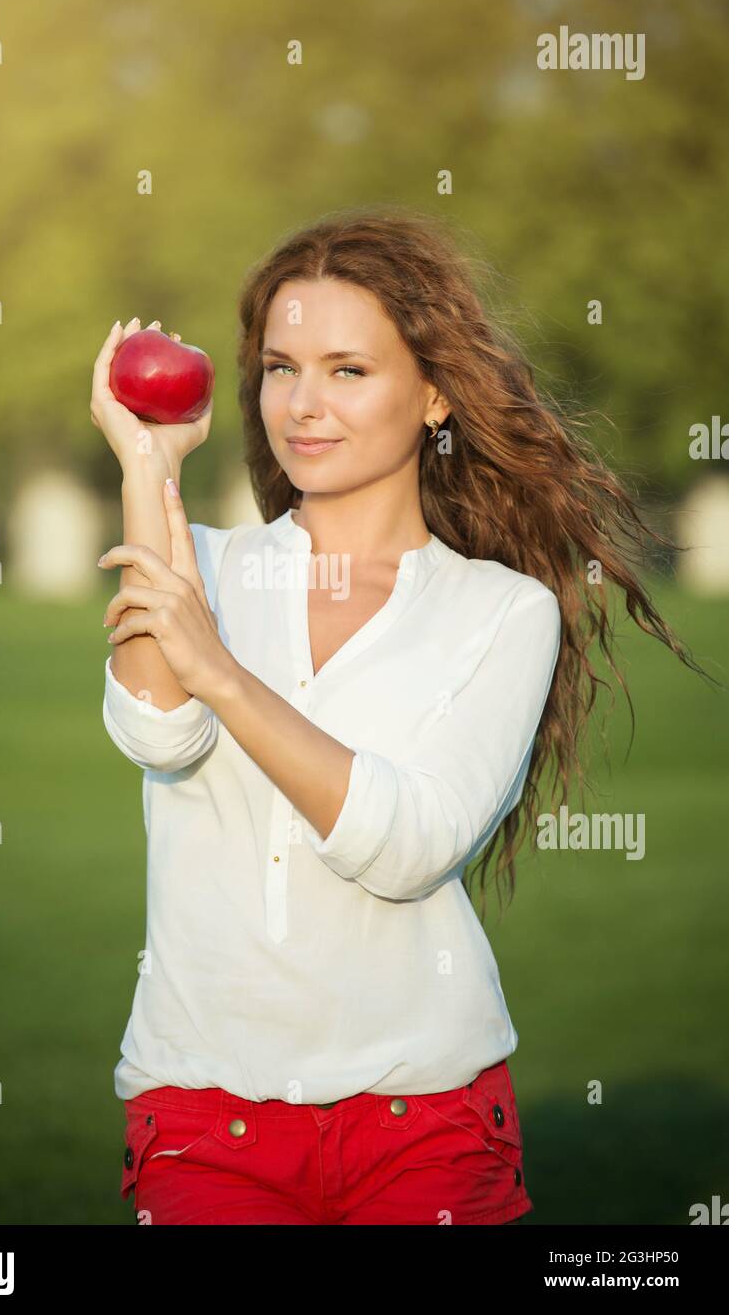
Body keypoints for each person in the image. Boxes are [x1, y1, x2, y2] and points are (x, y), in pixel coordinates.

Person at [90, 208, 707, 1226]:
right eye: (280, 368)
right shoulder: (202, 563)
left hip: (426, 1124)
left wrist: (228, 677)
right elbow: (156, 733)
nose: (302, 404)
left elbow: (408, 846)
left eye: (346, 370)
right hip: (203, 1121)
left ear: (430, 394)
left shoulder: (501, 611)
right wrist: (146, 470)